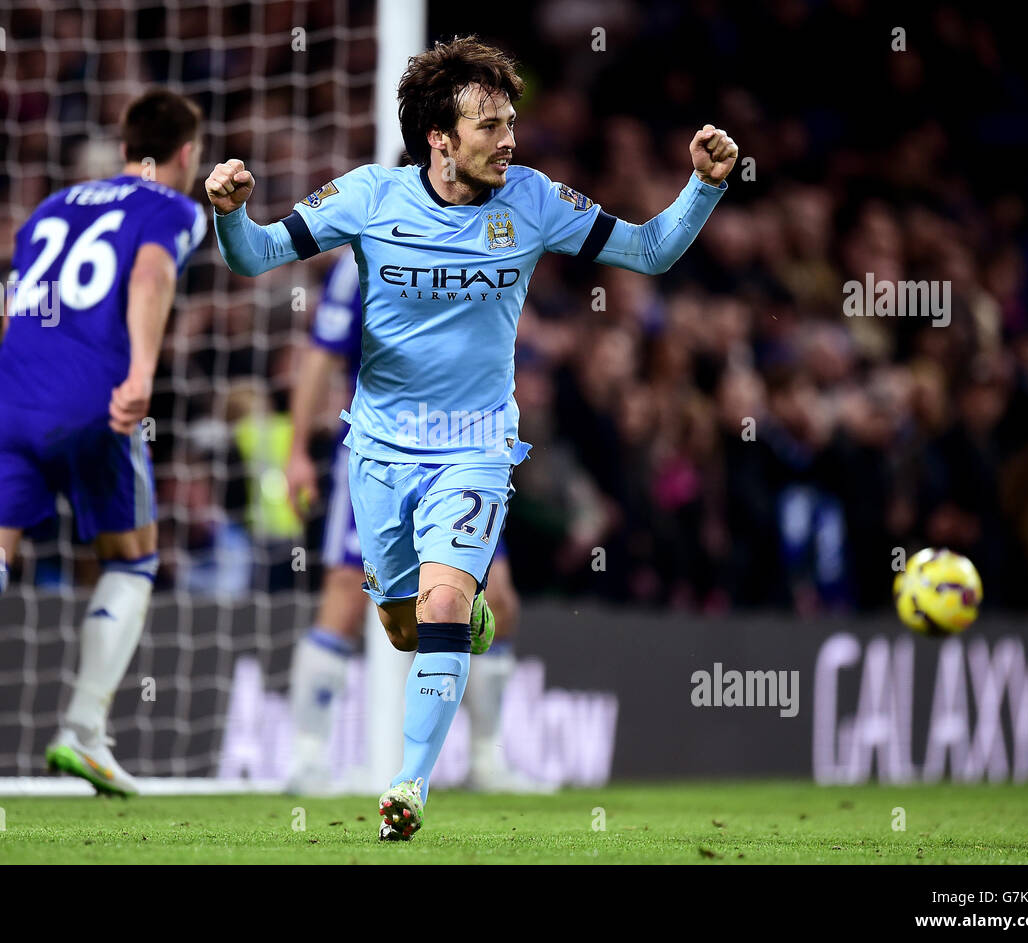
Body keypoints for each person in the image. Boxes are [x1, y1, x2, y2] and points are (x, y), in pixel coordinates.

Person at [207, 36, 735, 840]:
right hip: (380, 447)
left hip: (477, 444)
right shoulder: (368, 197)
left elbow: (651, 249)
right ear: (440, 139)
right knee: (399, 623)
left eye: (510, 121)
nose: (508, 138)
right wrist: (232, 212)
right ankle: (460, 622)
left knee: (445, 598)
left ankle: (407, 789)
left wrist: (701, 186)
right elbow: (256, 258)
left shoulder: (534, 200)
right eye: (488, 124)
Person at [0, 89, 207, 807]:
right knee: (133, 557)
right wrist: (141, 373)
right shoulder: (173, 208)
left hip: (5, 399)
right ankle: (82, 729)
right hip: (93, 401)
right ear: (184, 154)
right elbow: (153, 273)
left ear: (127, 144)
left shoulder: (52, 207)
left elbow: (14, 308)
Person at [285, 250, 534, 795]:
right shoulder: (363, 259)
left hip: (469, 452)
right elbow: (322, 353)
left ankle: (488, 759)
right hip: (385, 456)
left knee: (502, 599)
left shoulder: (485, 241)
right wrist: (297, 447)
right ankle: (307, 759)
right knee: (351, 599)